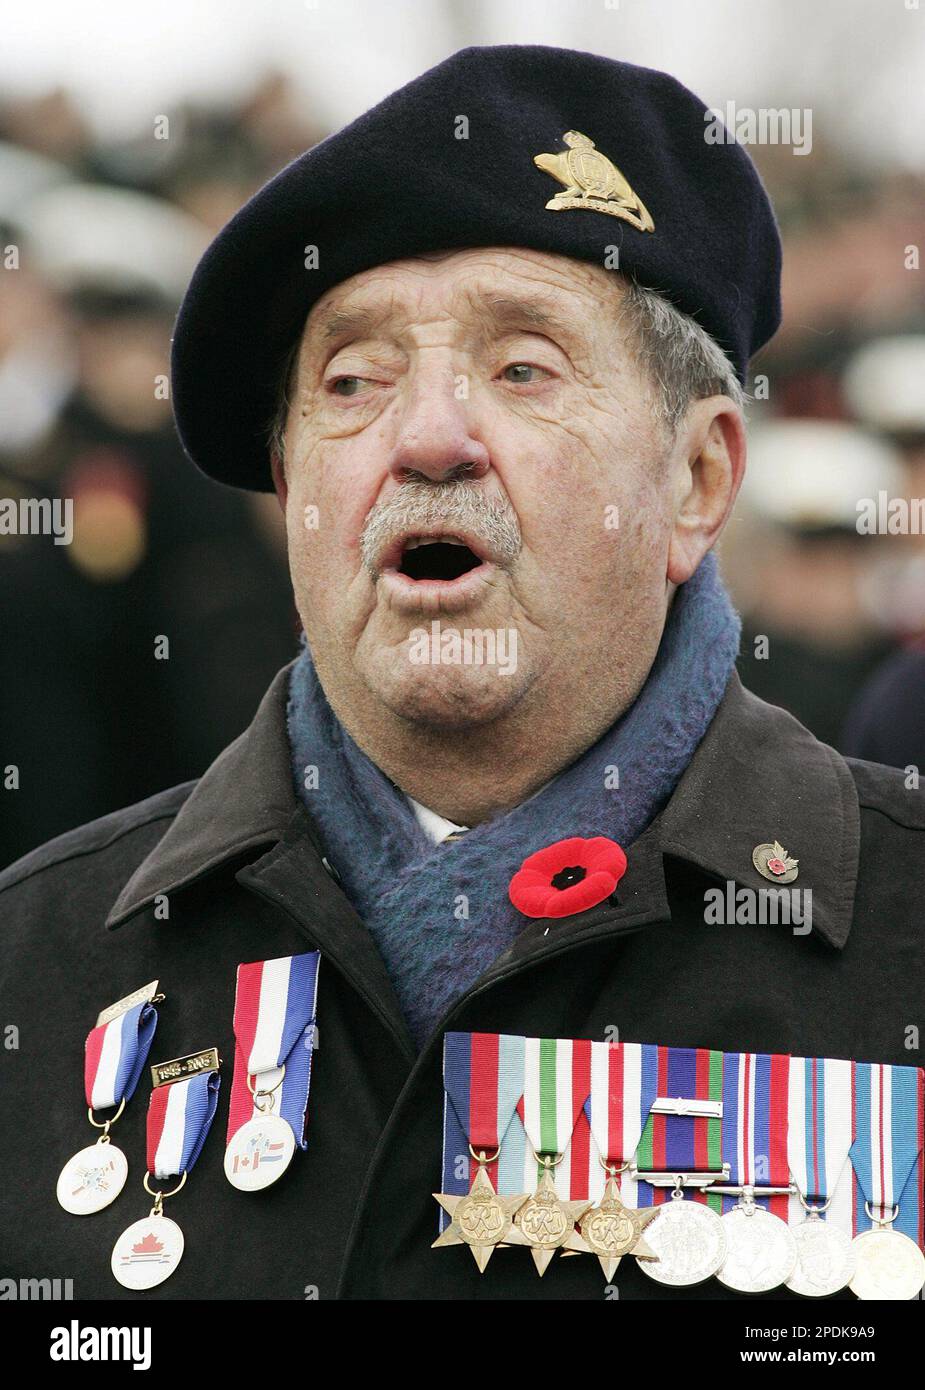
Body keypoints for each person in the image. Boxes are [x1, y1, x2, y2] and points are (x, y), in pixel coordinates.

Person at [1, 46, 922, 1302]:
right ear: (291, 490)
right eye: (353, 381)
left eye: (523, 367)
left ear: (696, 480)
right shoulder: (36, 958)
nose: (426, 436)